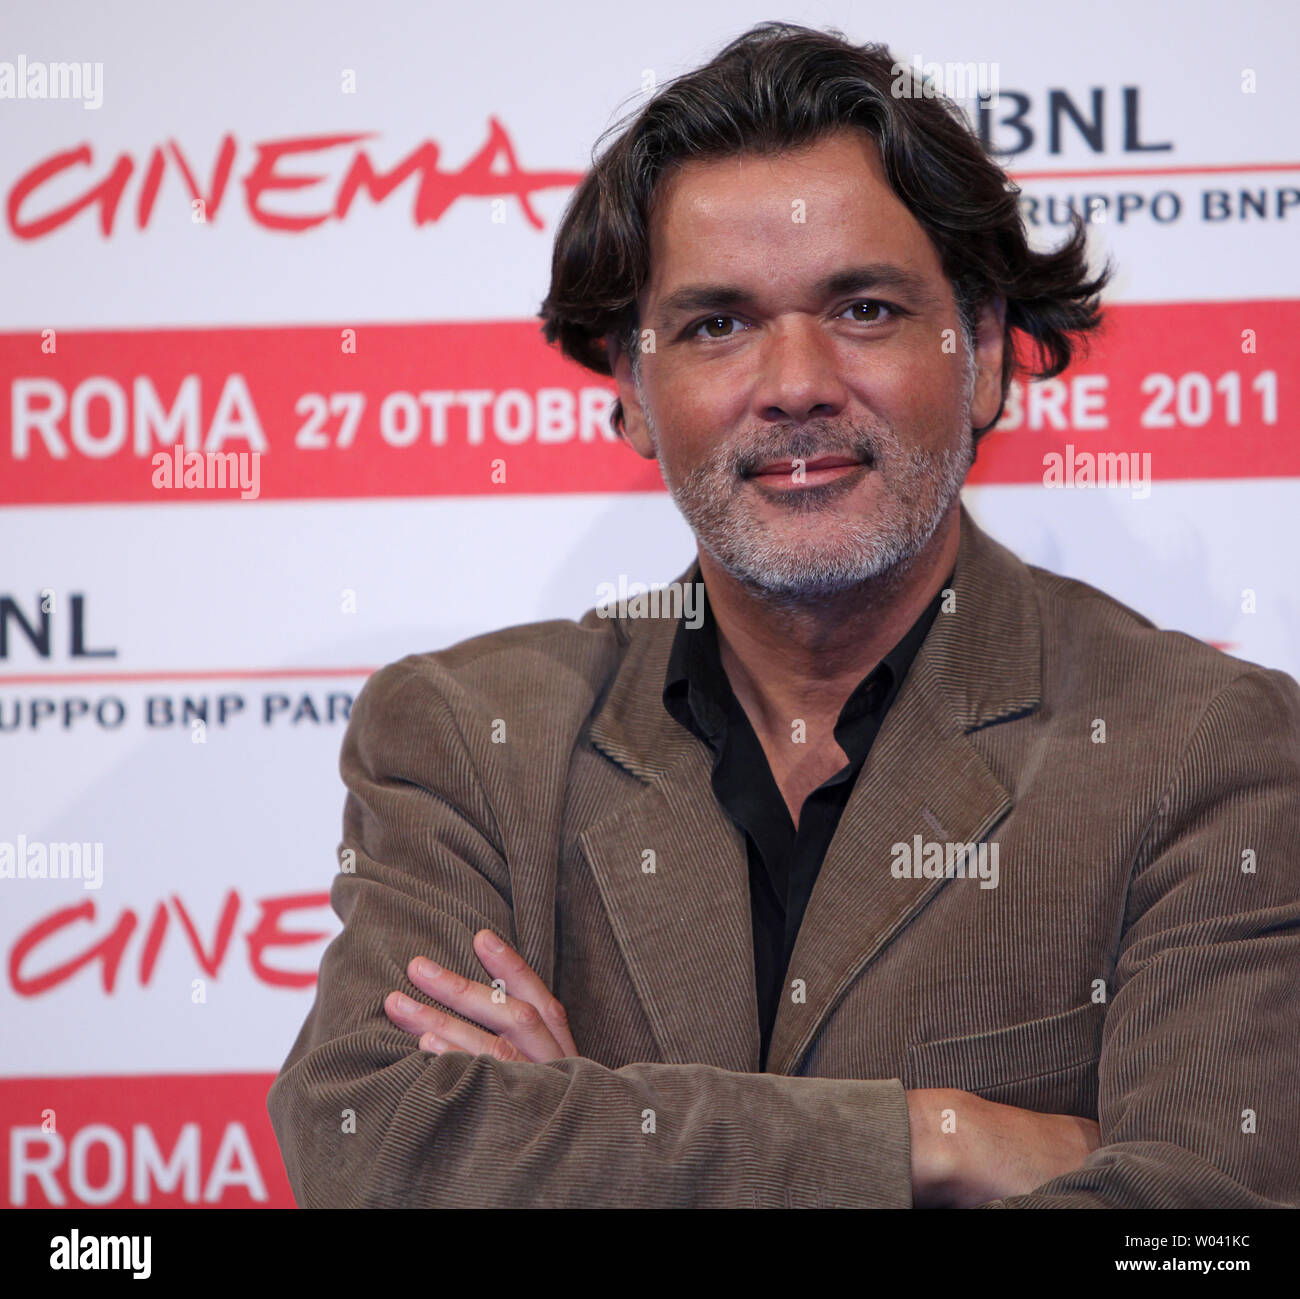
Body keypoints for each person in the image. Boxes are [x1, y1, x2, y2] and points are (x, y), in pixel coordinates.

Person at [267, 22, 1300, 1208]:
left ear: (985, 359)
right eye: (717, 324)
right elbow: (379, 1150)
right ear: (634, 394)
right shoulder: (464, 735)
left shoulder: (1206, 747)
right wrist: (934, 1138)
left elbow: (1194, 1229)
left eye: (862, 309)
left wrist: (587, 1135)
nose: (796, 382)